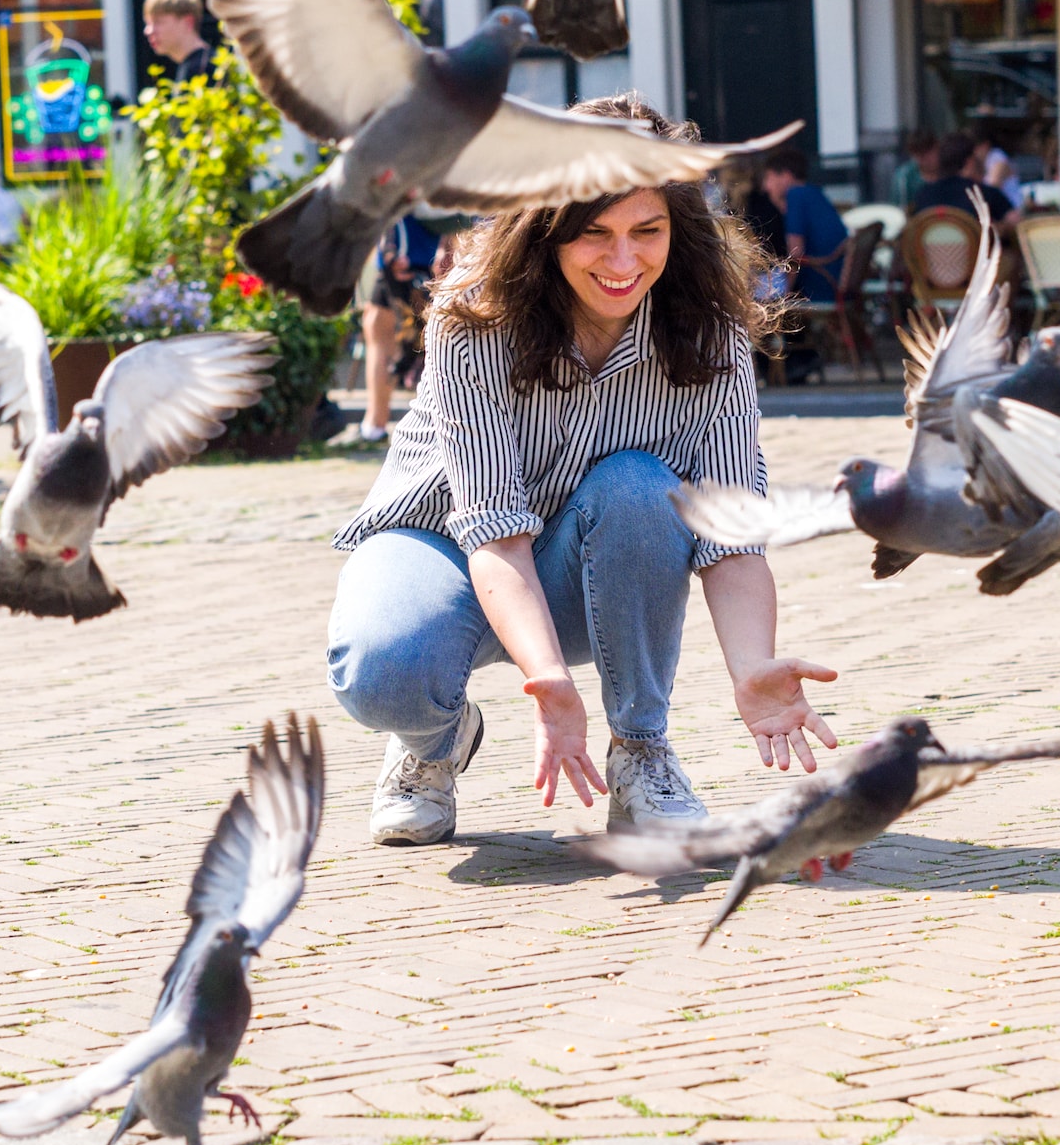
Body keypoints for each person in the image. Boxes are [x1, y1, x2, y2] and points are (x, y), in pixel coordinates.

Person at [327, 92, 839, 847]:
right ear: (546, 232)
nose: (624, 260)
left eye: (647, 230)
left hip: (586, 567)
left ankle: (642, 753)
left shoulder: (711, 335)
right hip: (442, 545)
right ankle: (432, 745)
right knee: (381, 671)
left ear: (678, 229)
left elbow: (732, 531)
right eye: (594, 234)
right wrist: (551, 681)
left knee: (640, 486)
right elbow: (495, 534)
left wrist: (752, 665)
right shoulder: (475, 320)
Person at [360, 216, 446, 445]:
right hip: (408, 254)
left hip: (411, 257)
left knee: (421, 343)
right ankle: (376, 422)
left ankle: (382, 424)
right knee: (377, 325)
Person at [757, 149, 850, 301]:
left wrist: (784, 297)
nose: (766, 187)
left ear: (786, 176)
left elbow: (796, 253)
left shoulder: (795, 195)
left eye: (769, 177)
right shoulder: (813, 194)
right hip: (834, 281)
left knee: (752, 291)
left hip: (820, 288)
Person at [909, 131, 1017, 228]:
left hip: (931, 250)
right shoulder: (985, 194)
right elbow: (1016, 223)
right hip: (977, 249)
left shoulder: (922, 195)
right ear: (970, 162)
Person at [141, 0, 212, 93]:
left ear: (188, 22)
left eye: (158, 22)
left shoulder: (205, 68)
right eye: (148, 23)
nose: (148, 31)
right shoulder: (191, 66)